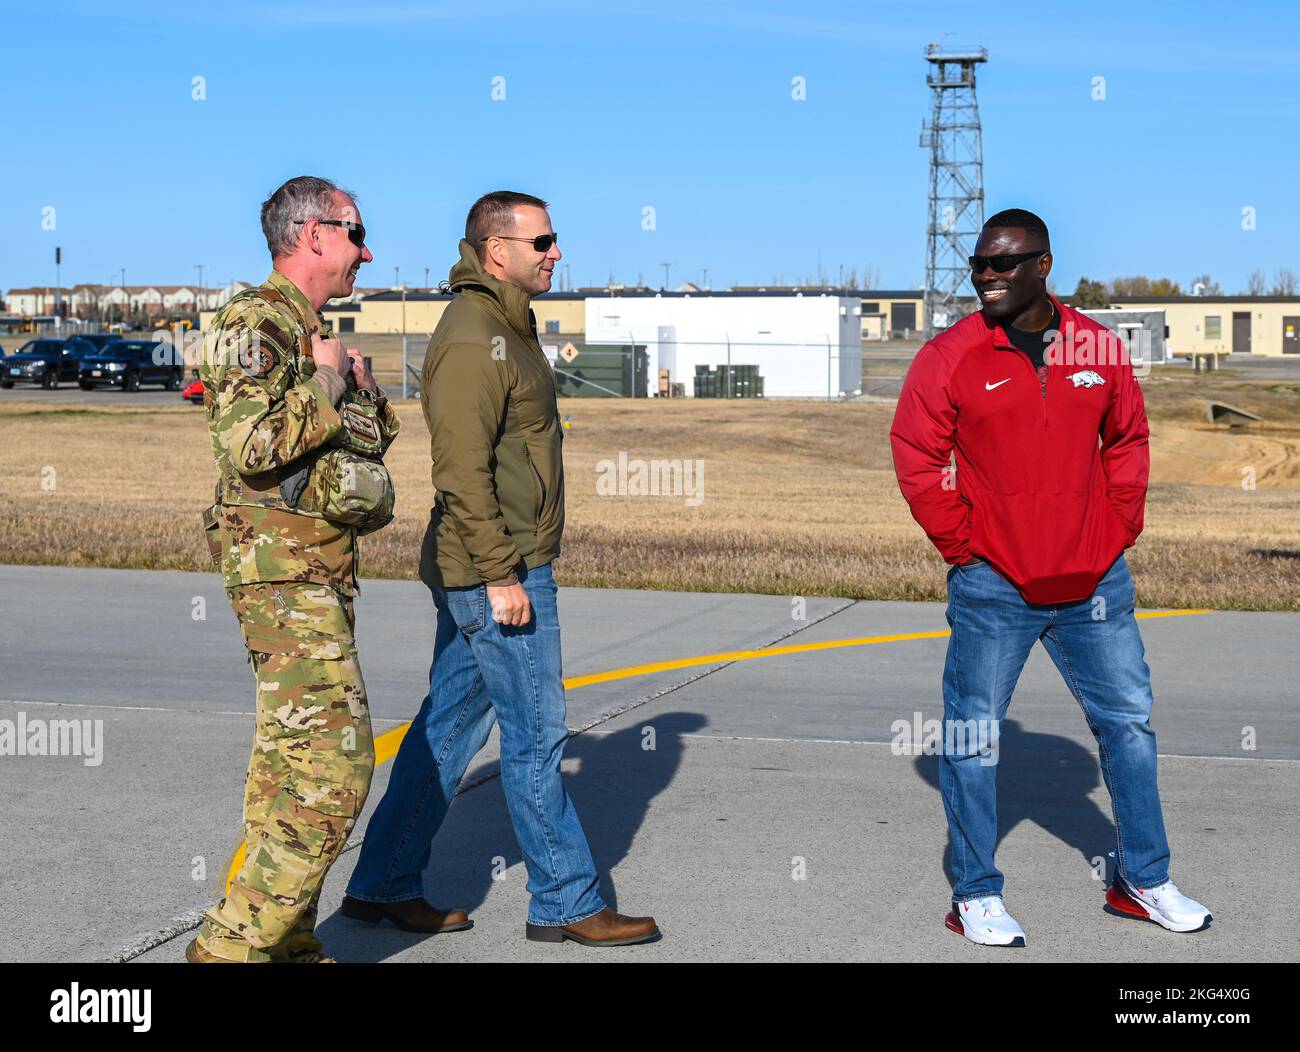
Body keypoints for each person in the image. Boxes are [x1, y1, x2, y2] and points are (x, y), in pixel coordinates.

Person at [341, 191, 658, 947]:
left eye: (554, 240)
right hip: (500, 569)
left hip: (495, 564)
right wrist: (501, 575)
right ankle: (566, 901)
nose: (556, 253)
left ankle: (382, 882)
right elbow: (460, 470)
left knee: (448, 731)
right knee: (536, 736)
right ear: (497, 251)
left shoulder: (508, 326)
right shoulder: (473, 337)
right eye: (541, 242)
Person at [889, 208, 1212, 947]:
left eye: (1003, 263)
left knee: (1128, 728)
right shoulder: (949, 355)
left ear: (1043, 265)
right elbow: (916, 455)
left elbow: (1127, 438)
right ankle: (975, 894)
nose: (987, 276)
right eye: (980, 264)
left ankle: (1143, 880)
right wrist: (963, 545)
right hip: (995, 585)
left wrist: (1118, 526)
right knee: (974, 739)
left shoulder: (1096, 345)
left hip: (1095, 585)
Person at [187, 175, 400, 963]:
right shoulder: (257, 321)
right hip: (282, 575)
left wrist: (356, 390)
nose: (366, 252)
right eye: (355, 233)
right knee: (335, 766)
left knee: (288, 768)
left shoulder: (310, 333)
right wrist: (330, 380)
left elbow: (364, 445)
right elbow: (249, 444)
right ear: (313, 234)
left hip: (317, 572)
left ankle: (287, 941)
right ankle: (232, 946)